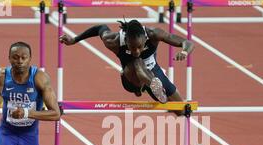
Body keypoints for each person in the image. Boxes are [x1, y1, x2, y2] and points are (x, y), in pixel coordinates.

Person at [59, 19, 194, 104]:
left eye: (140, 47)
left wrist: (184, 52)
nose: (136, 51)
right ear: (126, 41)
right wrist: (74, 40)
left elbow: (187, 42)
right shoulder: (113, 40)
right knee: (136, 62)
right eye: (132, 47)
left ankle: (153, 87)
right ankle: (149, 86)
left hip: (154, 72)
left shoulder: (154, 34)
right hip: (130, 78)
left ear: (145, 39)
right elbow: (100, 28)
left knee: (181, 109)